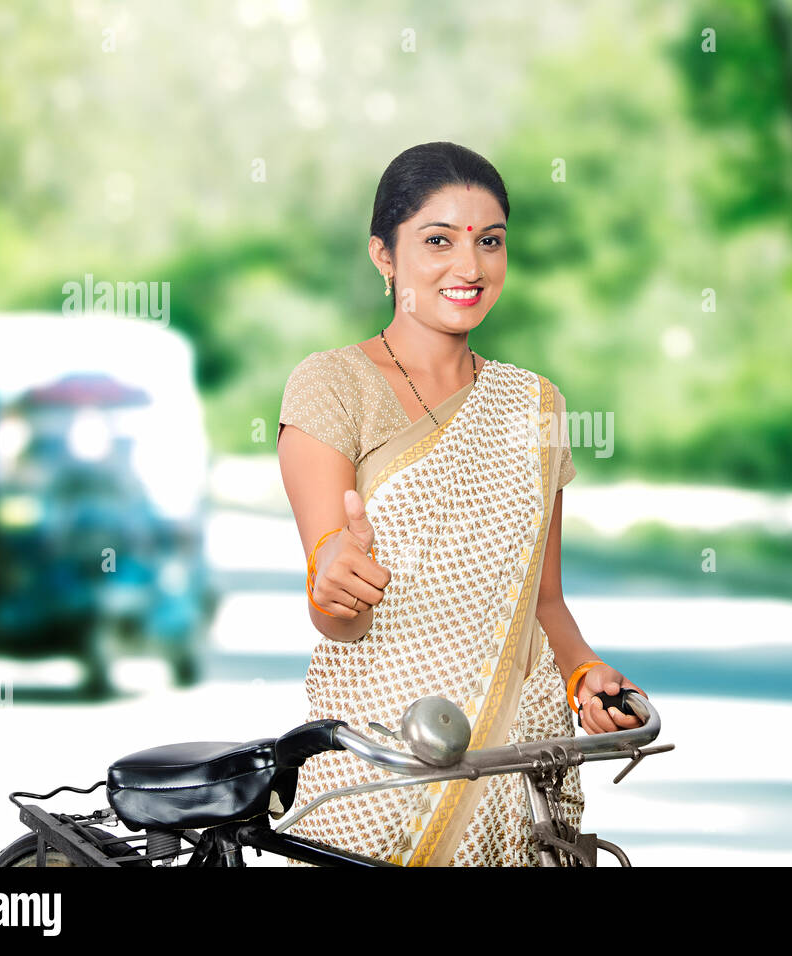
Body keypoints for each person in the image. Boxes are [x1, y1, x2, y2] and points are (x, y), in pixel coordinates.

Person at [275, 142, 648, 866]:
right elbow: (334, 608)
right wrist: (334, 576)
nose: (470, 267)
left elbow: (544, 601)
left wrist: (584, 674)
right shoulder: (331, 386)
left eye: (491, 241)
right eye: (438, 241)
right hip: (384, 767)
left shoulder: (535, 402)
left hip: (516, 769)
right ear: (384, 255)